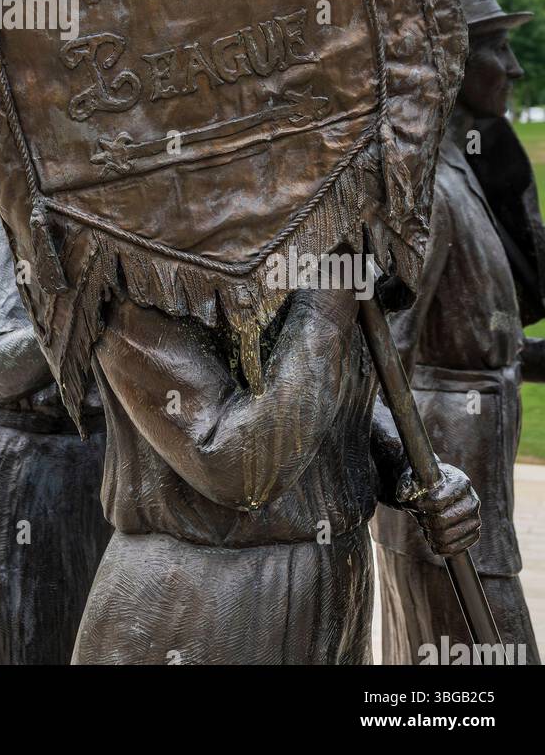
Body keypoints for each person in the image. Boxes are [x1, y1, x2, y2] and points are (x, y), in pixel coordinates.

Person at [70, 250, 481, 665]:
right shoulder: (136, 269)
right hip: (202, 603)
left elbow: (337, 397)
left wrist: (410, 469)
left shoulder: (308, 246)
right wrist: (330, 293)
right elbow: (237, 467)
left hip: (336, 585)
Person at [374, 0, 544, 664]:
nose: (511, 66)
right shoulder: (431, 197)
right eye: (493, 48)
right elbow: (379, 360)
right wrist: (424, 479)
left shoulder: (462, 174)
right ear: (448, 62)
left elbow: (476, 342)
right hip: (448, 493)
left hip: (473, 494)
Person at [0, 167, 111, 664]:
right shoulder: (5, 178)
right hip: (24, 484)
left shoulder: (131, 170)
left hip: (117, 482)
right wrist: (99, 302)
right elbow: (0, 369)